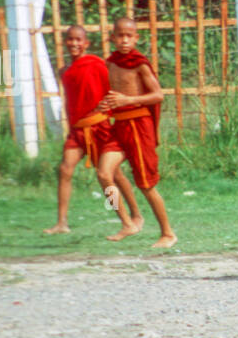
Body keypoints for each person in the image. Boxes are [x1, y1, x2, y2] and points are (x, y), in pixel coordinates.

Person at [43, 25, 142, 236]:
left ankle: (134, 215)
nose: (74, 44)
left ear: (86, 43)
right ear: (65, 43)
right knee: (65, 170)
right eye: (70, 40)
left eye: (79, 40)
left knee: (114, 175)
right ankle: (61, 222)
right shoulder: (65, 71)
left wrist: (112, 105)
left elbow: (113, 84)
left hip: (100, 128)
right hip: (77, 131)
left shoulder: (97, 64)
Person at [97, 17, 177, 248]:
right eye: (120, 35)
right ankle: (127, 222)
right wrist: (106, 105)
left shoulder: (140, 63)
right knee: (103, 174)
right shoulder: (109, 63)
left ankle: (168, 233)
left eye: (129, 35)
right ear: (113, 38)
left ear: (136, 38)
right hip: (118, 127)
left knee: (145, 184)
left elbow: (158, 95)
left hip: (139, 126)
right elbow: (110, 94)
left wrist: (128, 100)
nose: (124, 40)